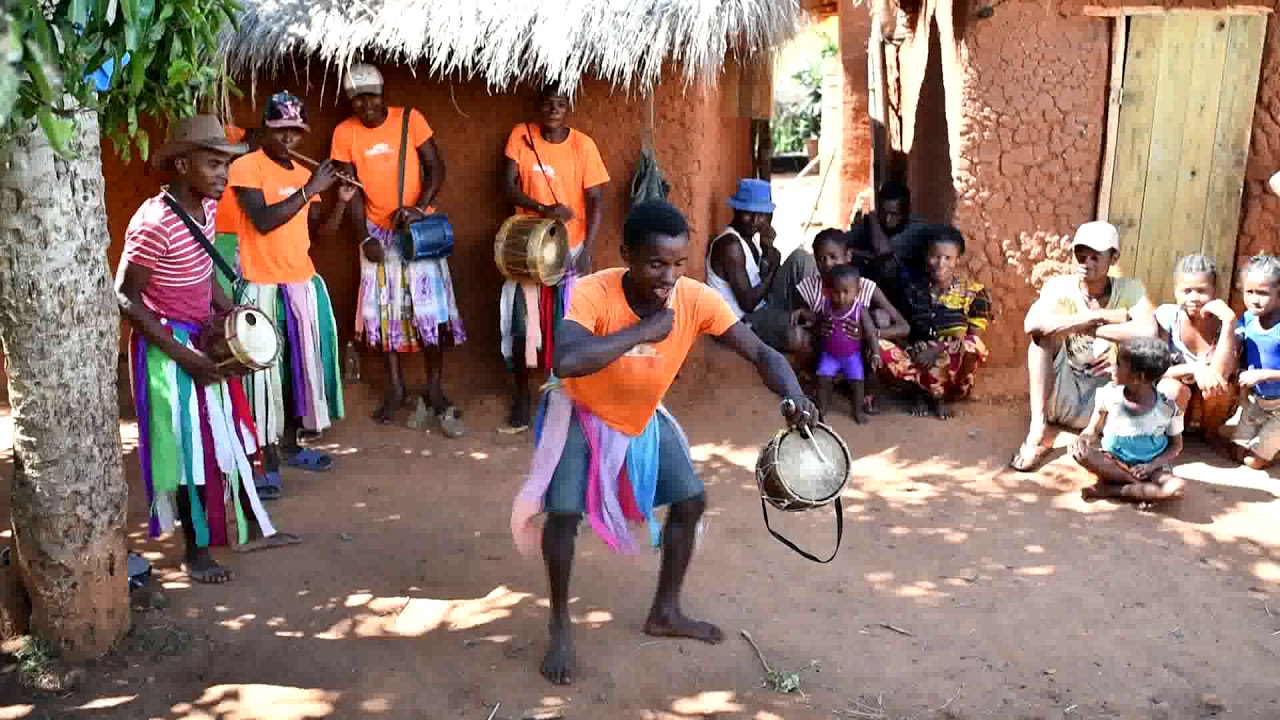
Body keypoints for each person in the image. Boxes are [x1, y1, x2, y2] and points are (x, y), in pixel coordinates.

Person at [510, 201, 816, 686]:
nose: (668, 276)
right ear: (626, 253)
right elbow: (566, 360)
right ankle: (560, 626)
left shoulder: (695, 299)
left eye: (678, 263)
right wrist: (641, 331)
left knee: (691, 502)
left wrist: (795, 394)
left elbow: (759, 351)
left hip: (640, 417)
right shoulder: (593, 292)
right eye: (656, 263)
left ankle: (665, 610)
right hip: (580, 413)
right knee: (563, 516)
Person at [116, 115, 299, 584]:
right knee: (186, 449)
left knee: (227, 438)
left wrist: (231, 314)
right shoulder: (153, 221)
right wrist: (184, 357)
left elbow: (203, 277)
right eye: (214, 164)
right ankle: (194, 551)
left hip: (200, 338)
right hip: (168, 349)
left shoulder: (208, 209)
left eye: (226, 165)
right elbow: (125, 297)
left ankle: (246, 526)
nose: (224, 174)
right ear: (181, 164)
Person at [229, 92, 354, 495]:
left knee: (296, 372)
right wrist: (309, 189)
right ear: (265, 128)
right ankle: (264, 463)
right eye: (281, 131)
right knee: (262, 378)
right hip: (261, 284)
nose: (288, 140)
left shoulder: (304, 174)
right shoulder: (246, 166)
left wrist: (339, 201)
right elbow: (264, 221)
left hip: (301, 282)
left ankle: (291, 445)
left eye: (295, 132)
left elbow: (320, 233)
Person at [330, 63, 466, 435]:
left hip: (418, 232)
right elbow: (350, 188)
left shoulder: (411, 119)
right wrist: (364, 237)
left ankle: (435, 389)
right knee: (386, 315)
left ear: (383, 94)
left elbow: (436, 168)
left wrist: (419, 208)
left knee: (429, 313)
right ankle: (396, 389)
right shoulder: (345, 133)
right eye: (357, 99)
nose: (365, 105)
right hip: (375, 233)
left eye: (371, 96)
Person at [501, 86, 610, 431]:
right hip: (527, 247)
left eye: (560, 104)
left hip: (569, 249)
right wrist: (543, 209)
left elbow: (596, 200)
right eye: (547, 103)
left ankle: (567, 395)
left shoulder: (583, 145)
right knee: (522, 325)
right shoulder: (521, 135)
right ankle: (522, 396)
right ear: (538, 106)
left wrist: (588, 250)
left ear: (569, 108)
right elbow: (508, 186)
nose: (553, 109)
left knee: (569, 326)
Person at [1010, 221, 1156, 471]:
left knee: (1142, 353)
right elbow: (1031, 324)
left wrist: (1097, 329)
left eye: (1095, 256)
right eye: (1080, 254)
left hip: (1106, 402)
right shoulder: (1060, 287)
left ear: (1114, 258)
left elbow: (1149, 332)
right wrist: (1088, 319)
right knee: (1039, 342)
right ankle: (1038, 428)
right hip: (1063, 393)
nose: (1085, 262)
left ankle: (1112, 447)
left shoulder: (1130, 289)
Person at [878, 228, 992, 419]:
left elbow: (972, 339)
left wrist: (938, 349)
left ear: (958, 260)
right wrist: (913, 348)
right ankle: (918, 392)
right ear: (925, 257)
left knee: (975, 346)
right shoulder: (912, 290)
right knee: (880, 347)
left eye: (948, 258)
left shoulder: (974, 293)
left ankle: (941, 397)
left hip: (951, 368)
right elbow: (902, 329)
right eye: (934, 256)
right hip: (917, 357)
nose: (940, 264)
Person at [795, 228, 911, 414]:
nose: (827, 264)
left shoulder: (865, 287)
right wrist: (816, 324)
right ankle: (818, 384)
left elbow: (904, 327)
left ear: (848, 256)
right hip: (825, 354)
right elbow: (801, 327)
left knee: (880, 317)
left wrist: (868, 333)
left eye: (833, 257)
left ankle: (866, 389)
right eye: (821, 259)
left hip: (858, 356)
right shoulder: (810, 287)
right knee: (797, 334)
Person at [1070, 337, 1188, 502]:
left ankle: (1112, 490)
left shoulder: (1168, 406)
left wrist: (1151, 466)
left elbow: (1176, 445)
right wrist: (1083, 438)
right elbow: (1093, 429)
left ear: (1137, 377)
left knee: (1176, 488)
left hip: (1153, 468)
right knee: (1082, 455)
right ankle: (1137, 487)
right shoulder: (1108, 394)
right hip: (1113, 462)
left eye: (1118, 365)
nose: (1112, 368)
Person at [706, 178, 817, 352]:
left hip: (763, 304)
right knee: (797, 335)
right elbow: (748, 304)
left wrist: (768, 250)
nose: (755, 220)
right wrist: (773, 266)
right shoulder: (730, 245)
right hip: (742, 320)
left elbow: (759, 278)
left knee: (800, 258)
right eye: (748, 213)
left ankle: (828, 314)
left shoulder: (750, 238)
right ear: (736, 209)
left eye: (762, 214)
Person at [1154, 255, 1238, 439]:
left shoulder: (1226, 325)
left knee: (1221, 388)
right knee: (1171, 388)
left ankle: (1209, 436)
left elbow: (1220, 375)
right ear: (1176, 292)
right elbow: (1154, 370)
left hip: (1205, 409)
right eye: (1186, 291)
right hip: (1177, 401)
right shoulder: (1167, 317)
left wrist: (1229, 323)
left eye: (1201, 291)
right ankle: (1168, 437)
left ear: (1215, 292)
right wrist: (1195, 368)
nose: (1193, 298)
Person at [802, 264, 879, 422]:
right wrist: (818, 327)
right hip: (829, 355)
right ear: (827, 291)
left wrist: (876, 352)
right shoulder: (826, 307)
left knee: (858, 382)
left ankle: (858, 411)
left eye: (846, 292)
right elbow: (817, 326)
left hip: (852, 356)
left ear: (857, 292)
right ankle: (822, 408)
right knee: (823, 378)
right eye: (836, 292)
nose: (841, 297)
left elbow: (871, 334)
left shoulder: (860, 310)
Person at [1228, 255, 1280, 470]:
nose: (1255, 299)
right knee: (1236, 452)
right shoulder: (1248, 319)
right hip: (1257, 402)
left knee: (1252, 462)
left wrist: (1265, 375)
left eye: (1263, 293)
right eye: (1249, 292)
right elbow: (1237, 342)